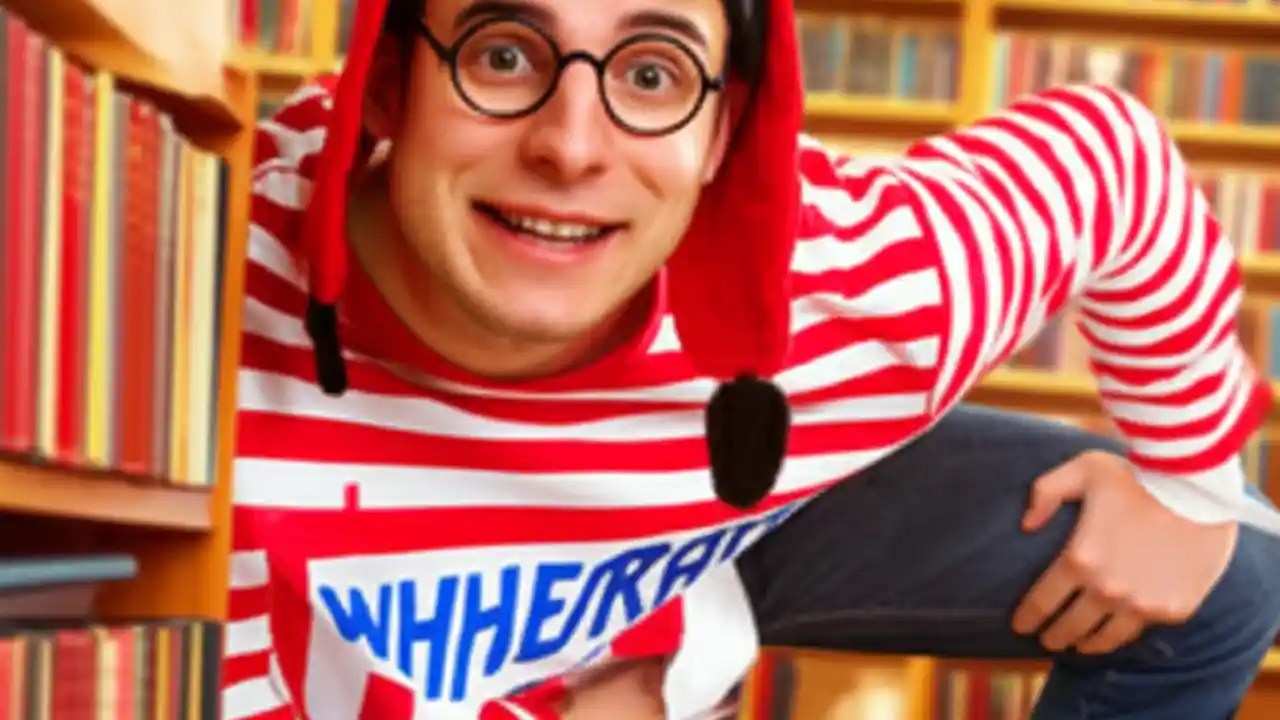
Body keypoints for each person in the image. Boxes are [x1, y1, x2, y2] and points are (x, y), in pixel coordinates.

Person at [219, 0, 1280, 717]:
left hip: (714, 486)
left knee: (1237, 563)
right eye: (503, 53)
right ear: (389, 84)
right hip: (402, 599)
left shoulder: (855, 275)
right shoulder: (203, 281)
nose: (571, 147)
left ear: (721, 133)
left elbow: (1111, 166)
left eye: (652, 72)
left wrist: (1187, 485)